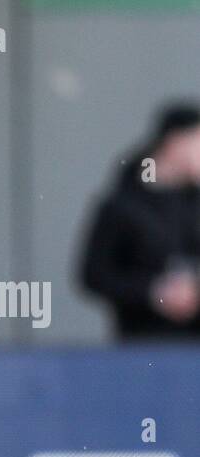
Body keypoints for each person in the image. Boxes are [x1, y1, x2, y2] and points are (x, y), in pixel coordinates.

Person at [81, 103, 200, 339]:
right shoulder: (123, 204)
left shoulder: (194, 202)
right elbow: (94, 274)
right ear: (176, 141)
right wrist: (153, 292)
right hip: (143, 346)